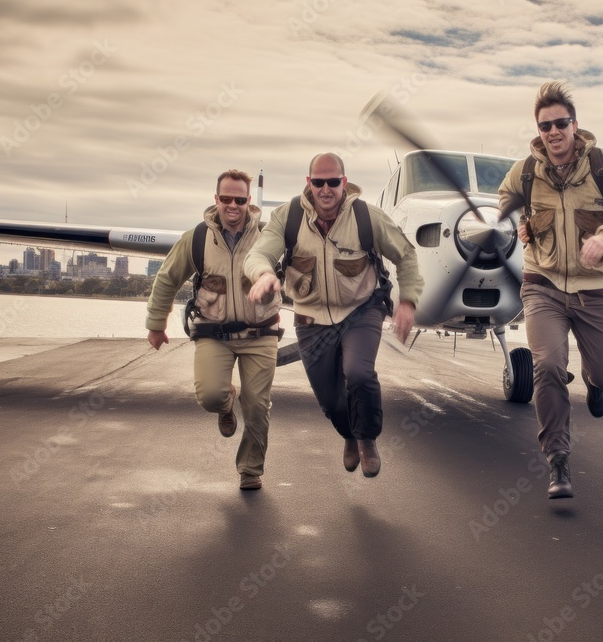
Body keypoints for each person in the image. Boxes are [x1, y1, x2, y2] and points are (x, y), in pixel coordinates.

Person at [498, 81, 603, 499]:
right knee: (547, 367)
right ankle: (558, 459)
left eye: (561, 123)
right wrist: (510, 219)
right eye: (545, 125)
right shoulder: (525, 172)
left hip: (596, 289)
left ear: (575, 126)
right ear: (538, 129)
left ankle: (595, 380)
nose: (553, 132)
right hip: (542, 285)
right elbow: (505, 200)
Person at [245, 153, 423, 478]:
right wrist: (262, 275)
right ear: (308, 183)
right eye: (318, 182)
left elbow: (406, 255)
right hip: (311, 318)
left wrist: (408, 301)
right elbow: (259, 253)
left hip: (361, 310)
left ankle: (367, 438)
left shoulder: (368, 217)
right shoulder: (288, 217)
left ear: (344, 182)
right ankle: (349, 435)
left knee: (358, 374)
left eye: (333, 182)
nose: (325, 189)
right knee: (330, 400)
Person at [146, 169, 281, 491]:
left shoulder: (269, 238)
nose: (232, 205)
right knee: (209, 395)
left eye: (240, 199)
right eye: (225, 198)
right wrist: (155, 324)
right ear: (216, 199)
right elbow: (167, 278)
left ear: (249, 201)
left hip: (260, 335)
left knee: (257, 405)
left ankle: (250, 469)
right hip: (213, 334)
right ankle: (224, 404)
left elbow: (306, 270)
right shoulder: (196, 239)